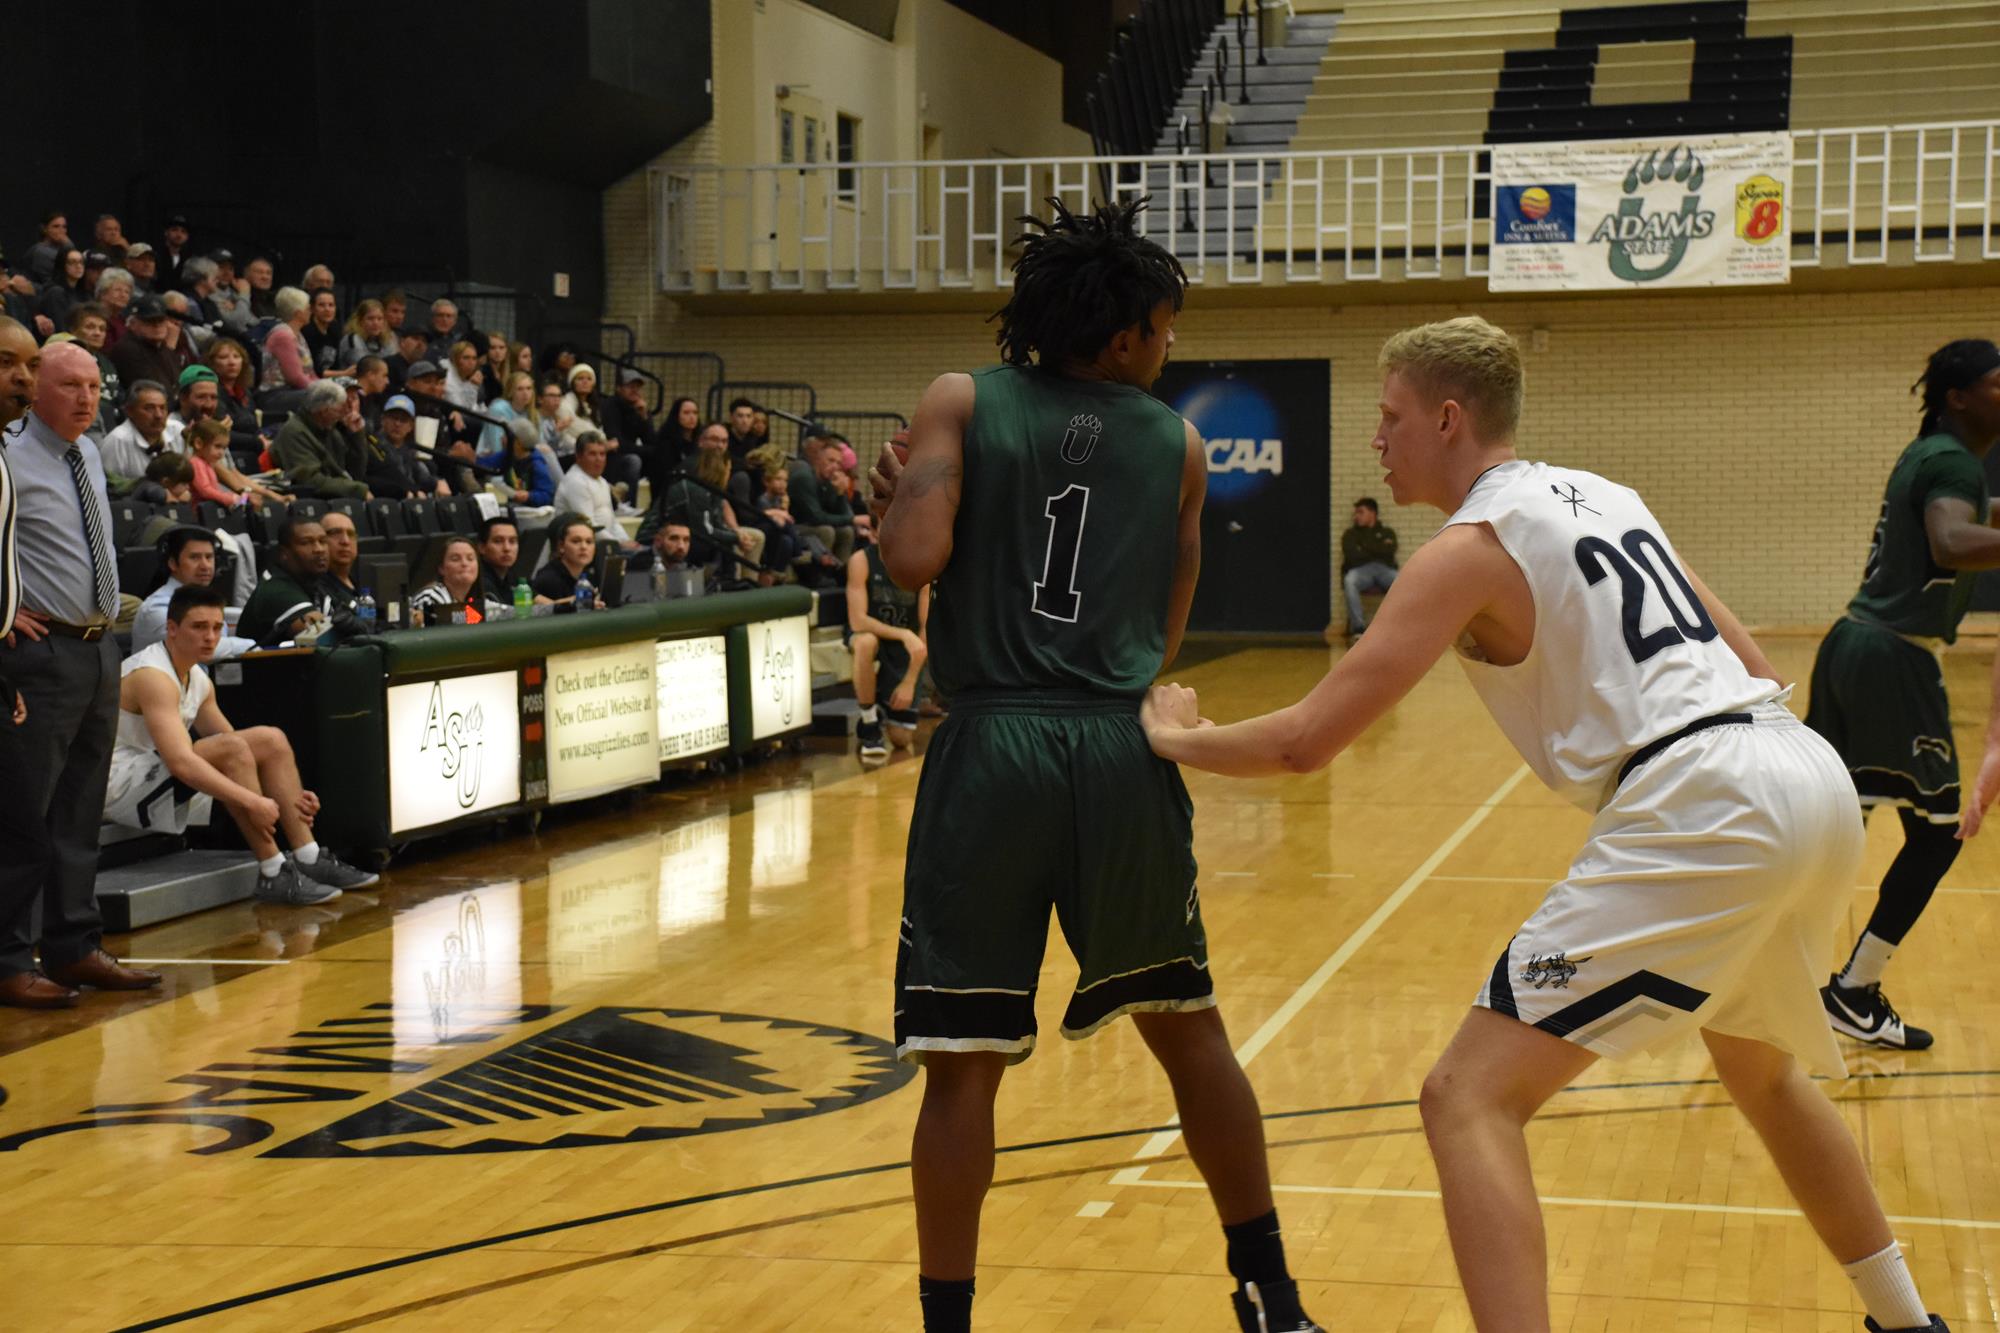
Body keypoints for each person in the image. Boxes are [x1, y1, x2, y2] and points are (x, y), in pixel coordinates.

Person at [1139, 315, 1949, 1333]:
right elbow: (1747, 662)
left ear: (1446, 416)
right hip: (1794, 767)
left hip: (1705, 801)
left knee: (1463, 1096)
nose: (1377, 439)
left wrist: (1177, 736)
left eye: (1389, 418)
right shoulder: (1610, 496)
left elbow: (1305, 740)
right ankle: (1907, 1321)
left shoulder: (1464, 550)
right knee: (1759, 1067)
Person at [866, 199, 1316, 1333]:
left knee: (962, 1060)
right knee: (1188, 1025)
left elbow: (912, 558)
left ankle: (946, 1325)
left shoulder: (959, 400)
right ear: (1121, 338)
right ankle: (1268, 1295)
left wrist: (900, 503)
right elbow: (1160, 644)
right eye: (1161, 332)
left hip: (990, 747)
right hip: (1116, 746)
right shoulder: (1176, 444)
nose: (1166, 354)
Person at [1804, 338, 2000, 1052]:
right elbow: (1950, 541)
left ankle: (1750, 966)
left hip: (1854, 644)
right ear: (1959, 396)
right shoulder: (1952, 462)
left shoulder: (1930, 455)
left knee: (1828, 821)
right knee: (1940, 830)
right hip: (1894, 659)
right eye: (1998, 384)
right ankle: (1852, 991)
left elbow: (1955, 519)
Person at [0, 339, 163, 1008]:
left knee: (79, 809)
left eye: (95, 387)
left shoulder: (89, 451)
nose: (86, 399)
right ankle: (9, 955)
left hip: (100, 646)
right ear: (36, 384)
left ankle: (73, 944)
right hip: (43, 654)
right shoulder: (7, 451)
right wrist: (4, 614)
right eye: (70, 385)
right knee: (23, 816)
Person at [110, 584, 376, 903]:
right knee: (233, 750)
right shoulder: (153, 675)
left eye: (216, 628)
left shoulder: (197, 678)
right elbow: (182, 761)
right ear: (172, 629)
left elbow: (237, 745)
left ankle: (308, 855)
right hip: (117, 785)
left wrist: (291, 795)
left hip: (151, 775)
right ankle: (273, 870)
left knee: (270, 739)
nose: (210, 637)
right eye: (198, 627)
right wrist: (254, 802)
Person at [846, 541, 928, 762]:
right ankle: (870, 720)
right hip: (873, 634)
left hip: (906, 648)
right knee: (865, 642)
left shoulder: (922, 564)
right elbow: (857, 621)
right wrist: (902, 634)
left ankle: (881, 705)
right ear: (873, 532)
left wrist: (909, 682)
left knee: (901, 739)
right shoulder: (862, 560)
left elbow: (925, 632)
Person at [132, 527, 256, 658]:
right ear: (173, 563)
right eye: (195, 558)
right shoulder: (157, 608)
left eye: (209, 557)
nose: (205, 566)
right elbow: (197, 647)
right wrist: (251, 645)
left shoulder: (204, 601)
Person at [239, 516, 334, 645]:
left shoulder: (316, 584)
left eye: (323, 541)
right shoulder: (276, 590)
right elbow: (322, 636)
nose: (319, 549)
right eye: (306, 542)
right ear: (284, 553)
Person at [273, 380, 369, 499]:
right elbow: (310, 481)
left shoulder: (330, 431)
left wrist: (357, 436)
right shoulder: (294, 432)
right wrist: (358, 490)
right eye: (339, 410)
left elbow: (354, 473)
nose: (342, 415)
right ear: (324, 411)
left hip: (333, 498)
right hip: (308, 500)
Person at [553, 433, 641, 553]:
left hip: (605, 544)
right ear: (579, 457)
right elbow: (588, 525)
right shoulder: (576, 482)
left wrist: (625, 540)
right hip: (581, 549)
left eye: (602, 454)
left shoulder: (602, 482)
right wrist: (618, 544)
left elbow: (612, 521)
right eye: (592, 454)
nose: (599, 459)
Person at [98, 380, 182, 492]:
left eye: (162, 408)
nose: (158, 415)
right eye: (149, 408)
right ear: (129, 411)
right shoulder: (116, 442)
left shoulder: (177, 431)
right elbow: (107, 490)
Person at [787, 429, 857, 564]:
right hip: (796, 526)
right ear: (818, 459)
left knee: (847, 531)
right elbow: (816, 517)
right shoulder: (805, 476)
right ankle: (818, 575)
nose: (835, 467)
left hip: (813, 525)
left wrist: (841, 492)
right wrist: (852, 519)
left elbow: (843, 514)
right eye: (831, 460)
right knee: (826, 531)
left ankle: (842, 574)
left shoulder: (829, 480)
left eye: (838, 463)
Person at [187, 418, 281, 510]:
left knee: (249, 505)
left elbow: (215, 492)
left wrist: (243, 498)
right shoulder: (195, 463)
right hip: (201, 515)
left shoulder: (208, 464)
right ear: (198, 443)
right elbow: (206, 491)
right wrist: (231, 498)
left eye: (224, 448)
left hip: (212, 511)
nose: (221, 453)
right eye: (217, 446)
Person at [1339, 496, 1398, 636]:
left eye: (1360, 512)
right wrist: (1379, 547)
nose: (1356, 516)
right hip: (1361, 571)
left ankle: (1398, 626)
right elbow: (1352, 555)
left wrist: (1363, 547)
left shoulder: (1387, 532)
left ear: (1372, 513)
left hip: (1384, 569)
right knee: (1349, 581)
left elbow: (1390, 552)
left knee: (1403, 581)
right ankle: (1358, 628)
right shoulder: (1350, 534)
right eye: (1356, 513)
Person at [410, 535, 502, 624]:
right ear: (441, 568)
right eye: (455, 559)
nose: (464, 563)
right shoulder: (431, 596)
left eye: (470, 559)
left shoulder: (479, 600)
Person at [257, 286, 319, 412]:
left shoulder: (298, 334)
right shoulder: (283, 335)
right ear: (298, 313)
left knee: (337, 393)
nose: (311, 311)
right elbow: (295, 378)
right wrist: (322, 390)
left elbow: (310, 373)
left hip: (294, 391)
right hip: (275, 394)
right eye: (308, 308)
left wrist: (327, 386)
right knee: (327, 398)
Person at [109, 294, 184, 394]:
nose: (157, 325)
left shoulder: (164, 348)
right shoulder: (126, 349)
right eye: (150, 321)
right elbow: (153, 389)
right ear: (133, 324)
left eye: (161, 320)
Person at [600, 366, 657, 499]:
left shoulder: (639, 407)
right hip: (609, 456)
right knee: (634, 460)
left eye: (637, 386)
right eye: (630, 386)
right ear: (618, 388)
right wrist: (647, 450)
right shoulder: (610, 406)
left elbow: (652, 442)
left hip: (629, 452)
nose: (635, 390)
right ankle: (629, 504)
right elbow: (616, 442)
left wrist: (644, 418)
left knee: (661, 458)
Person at [203, 336, 262, 457]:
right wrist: (257, 441)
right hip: (230, 450)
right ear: (212, 363)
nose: (231, 362)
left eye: (236, 357)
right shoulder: (212, 393)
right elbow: (223, 432)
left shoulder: (244, 391)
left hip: (251, 445)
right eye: (223, 357)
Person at [530, 515, 604, 609]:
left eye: (589, 542)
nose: (584, 547)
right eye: (576, 541)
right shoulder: (548, 579)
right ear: (561, 546)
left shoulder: (590, 574)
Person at [317, 510, 363, 619]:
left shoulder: (366, 580)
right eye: (335, 533)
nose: (345, 541)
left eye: (351, 534)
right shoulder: (318, 589)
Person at [557, 363, 602, 460]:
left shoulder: (593, 405)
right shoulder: (564, 403)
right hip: (569, 453)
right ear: (573, 382)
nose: (585, 382)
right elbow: (569, 433)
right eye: (580, 378)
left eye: (589, 379)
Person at [36, 248, 88, 333]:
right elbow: (61, 328)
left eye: (81, 262)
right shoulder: (55, 293)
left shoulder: (83, 294)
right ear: (62, 265)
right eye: (72, 262)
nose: (78, 266)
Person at [476, 515, 523, 605]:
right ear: (482, 547)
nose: (507, 548)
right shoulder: (479, 581)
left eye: (512, 541)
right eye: (498, 541)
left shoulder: (510, 575)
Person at [303, 288, 343, 375]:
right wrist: (345, 373)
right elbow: (312, 371)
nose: (327, 309)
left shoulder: (335, 329)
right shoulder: (307, 332)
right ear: (312, 308)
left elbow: (336, 365)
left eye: (331, 305)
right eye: (321, 305)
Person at [24, 211, 70, 284]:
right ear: (44, 229)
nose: (61, 231)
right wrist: (68, 244)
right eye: (56, 226)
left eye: (64, 227)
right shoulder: (40, 250)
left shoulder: (61, 249)